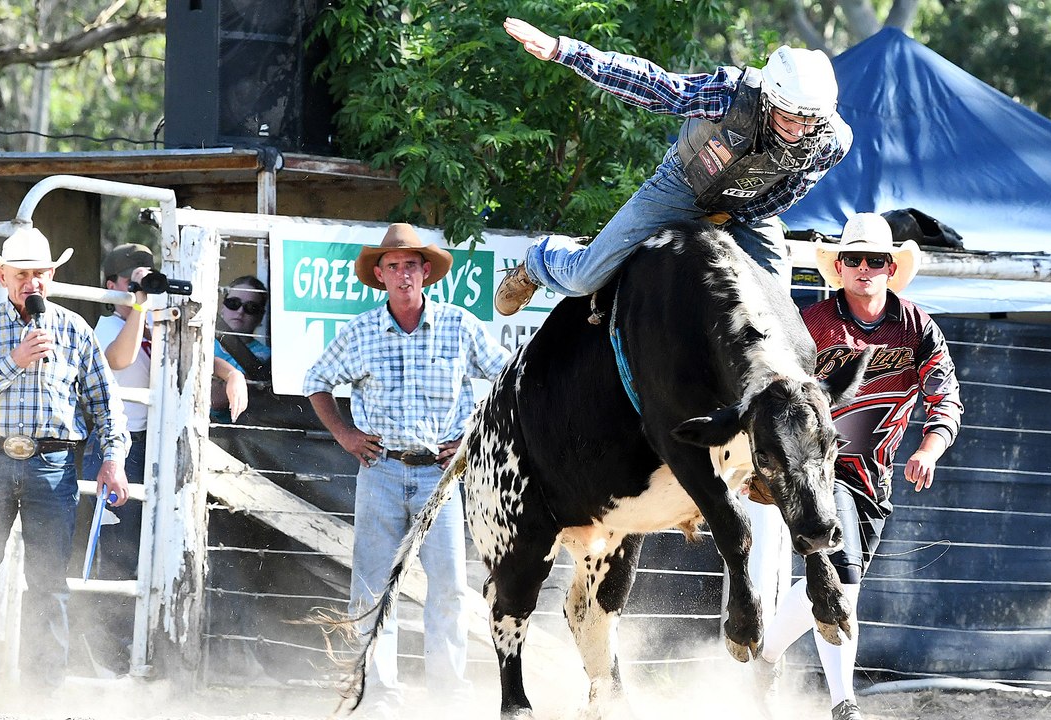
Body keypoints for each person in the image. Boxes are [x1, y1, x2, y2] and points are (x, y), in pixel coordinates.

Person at [494, 17, 851, 316]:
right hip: (683, 183)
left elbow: (781, 199)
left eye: (810, 123)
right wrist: (564, 51)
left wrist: (729, 218)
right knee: (583, 279)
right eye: (789, 119)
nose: (798, 132)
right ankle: (539, 262)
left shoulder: (832, 142)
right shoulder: (730, 96)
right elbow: (656, 86)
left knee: (778, 308)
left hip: (749, 207)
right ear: (768, 102)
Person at [753, 214, 964, 720]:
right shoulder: (811, 325)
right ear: (839, 267)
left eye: (875, 260)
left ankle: (765, 655)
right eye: (854, 259)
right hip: (818, 471)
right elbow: (771, 389)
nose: (864, 268)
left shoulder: (917, 328)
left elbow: (946, 396)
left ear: (891, 268)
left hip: (878, 475)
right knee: (842, 578)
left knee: (832, 582)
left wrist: (929, 448)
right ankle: (844, 703)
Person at [303, 224, 510, 716]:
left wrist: (473, 437)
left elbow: (507, 376)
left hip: (440, 477)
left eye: (411, 265)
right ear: (379, 275)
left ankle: (448, 696)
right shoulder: (361, 331)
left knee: (449, 587)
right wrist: (345, 435)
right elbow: (316, 380)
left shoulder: (459, 326)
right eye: (393, 266)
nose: (402, 274)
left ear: (426, 274)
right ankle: (378, 696)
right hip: (380, 470)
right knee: (373, 587)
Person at [0, 227, 131, 694]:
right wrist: (14, 361)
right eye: (22, 274)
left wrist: (114, 459)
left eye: (40, 273)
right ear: (4, 277)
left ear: (51, 275)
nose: (33, 283)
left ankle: (40, 696)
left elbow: (106, 404)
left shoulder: (74, 329)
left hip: (51, 464)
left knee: (48, 584)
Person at [76, 243, 247, 673]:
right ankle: (107, 656)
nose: (144, 287)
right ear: (112, 285)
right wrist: (140, 304)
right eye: (134, 279)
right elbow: (121, 358)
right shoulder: (101, 327)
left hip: (154, 445)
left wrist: (232, 374)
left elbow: (202, 354)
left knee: (157, 548)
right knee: (115, 550)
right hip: (114, 447)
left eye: (148, 278)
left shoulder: (156, 322)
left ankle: (144, 651)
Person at [212, 275, 270, 423]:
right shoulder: (200, 342)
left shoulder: (264, 356)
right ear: (222, 306)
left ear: (260, 316)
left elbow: (216, 399)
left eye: (251, 307)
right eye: (233, 303)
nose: (240, 311)